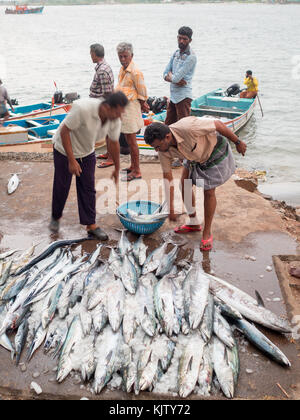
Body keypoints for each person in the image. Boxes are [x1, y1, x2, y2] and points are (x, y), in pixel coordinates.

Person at [144, 117, 247, 251]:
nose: (156, 151)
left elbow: (218, 124)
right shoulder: (163, 150)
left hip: (212, 150)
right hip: (192, 156)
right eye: (154, 148)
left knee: (208, 191)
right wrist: (170, 208)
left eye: (157, 146)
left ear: (168, 137)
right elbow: (167, 177)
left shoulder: (188, 127)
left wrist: (238, 142)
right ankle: (193, 223)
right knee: (184, 185)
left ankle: (207, 232)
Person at [49, 91, 128, 240]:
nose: (120, 115)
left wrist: (117, 168)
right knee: (62, 186)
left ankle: (90, 225)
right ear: (107, 107)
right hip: (64, 149)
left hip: (86, 151)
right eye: (118, 111)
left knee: (88, 188)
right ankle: (55, 217)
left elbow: (113, 142)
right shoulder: (82, 108)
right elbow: (65, 131)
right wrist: (72, 161)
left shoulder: (114, 118)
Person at [115, 42, 149, 182]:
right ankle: (133, 166)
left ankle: (137, 171)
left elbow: (142, 92)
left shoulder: (135, 72)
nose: (123, 59)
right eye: (120, 56)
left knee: (132, 141)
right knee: (129, 141)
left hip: (131, 108)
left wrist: (143, 105)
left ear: (131, 56)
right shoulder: (123, 69)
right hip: (124, 109)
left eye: (125, 56)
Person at [163, 26, 197, 168]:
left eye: (184, 39)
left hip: (184, 97)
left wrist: (174, 78)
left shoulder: (191, 57)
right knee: (168, 126)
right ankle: (170, 153)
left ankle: (184, 158)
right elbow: (165, 73)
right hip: (174, 96)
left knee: (183, 129)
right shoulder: (176, 53)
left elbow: (175, 77)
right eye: (179, 38)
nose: (181, 41)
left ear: (190, 40)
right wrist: (174, 79)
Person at [89, 43, 116, 164]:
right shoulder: (103, 67)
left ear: (94, 54)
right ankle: (108, 154)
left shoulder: (102, 71)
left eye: (91, 53)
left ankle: (111, 158)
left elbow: (107, 93)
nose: (90, 56)